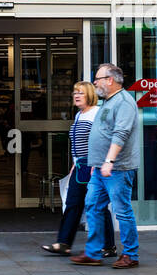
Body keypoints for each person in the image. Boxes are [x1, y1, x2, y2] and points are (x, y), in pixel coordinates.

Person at [70, 63, 141, 269]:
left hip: (118, 168)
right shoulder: (108, 102)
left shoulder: (124, 103)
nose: (95, 83)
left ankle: (130, 254)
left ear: (110, 80)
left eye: (98, 79)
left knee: (122, 210)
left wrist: (109, 161)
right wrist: (96, 163)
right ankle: (93, 253)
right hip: (100, 169)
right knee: (92, 206)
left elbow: (121, 134)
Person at [41, 81, 115, 258]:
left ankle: (109, 246)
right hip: (81, 166)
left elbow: (104, 140)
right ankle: (63, 243)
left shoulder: (97, 113)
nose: (76, 95)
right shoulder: (79, 115)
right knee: (73, 203)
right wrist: (75, 163)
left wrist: (98, 163)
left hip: (92, 166)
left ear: (90, 95)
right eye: (75, 92)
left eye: (80, 93)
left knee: (97, 204)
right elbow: (78, 143)